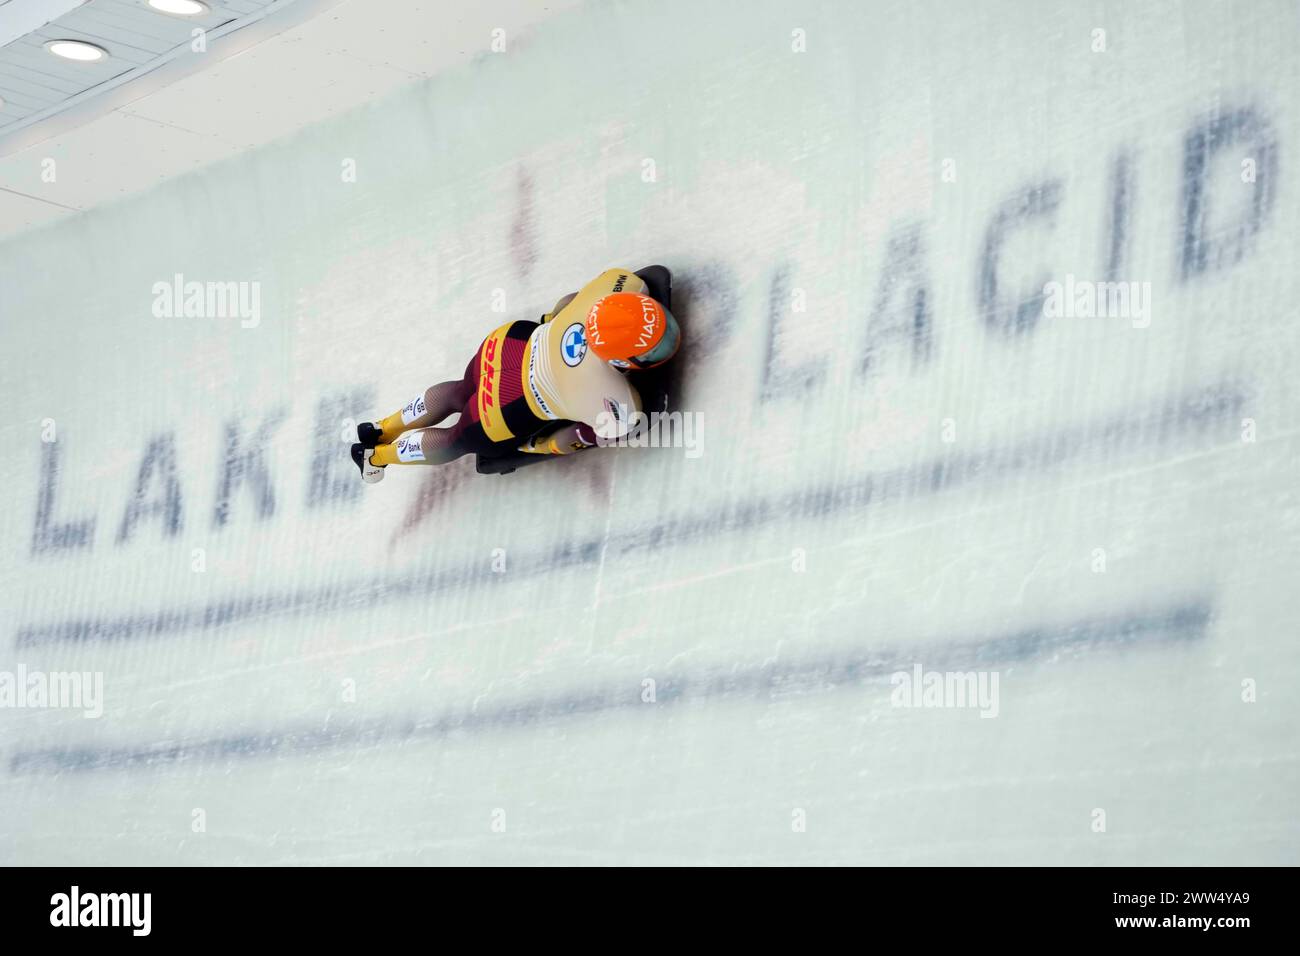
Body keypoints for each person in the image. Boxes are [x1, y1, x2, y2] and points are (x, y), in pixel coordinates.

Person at [351, 266, 679, 482]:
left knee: (458, 390)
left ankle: (380, 427)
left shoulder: (618, 283)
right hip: (505, 407)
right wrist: (533, 446)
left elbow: (568, 303)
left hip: (508, 343)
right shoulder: (616, 403)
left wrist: (552, 321)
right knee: (454, 441)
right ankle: (376, 456)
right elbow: (569, 441)